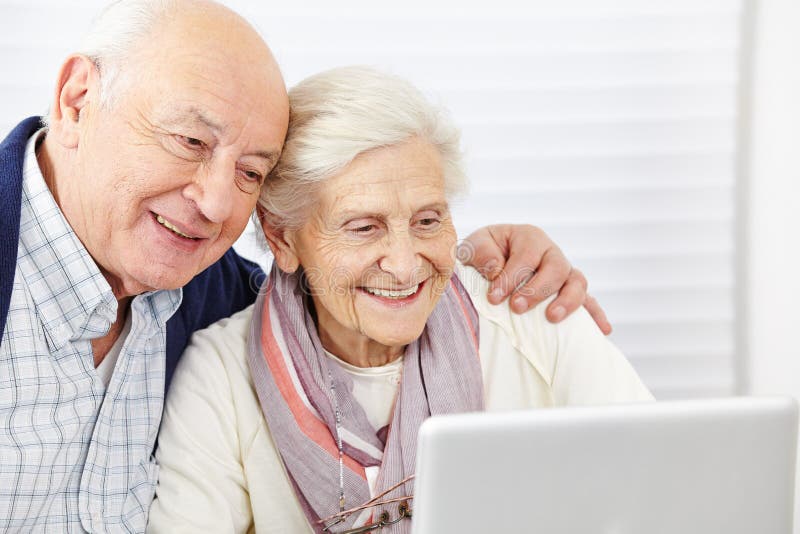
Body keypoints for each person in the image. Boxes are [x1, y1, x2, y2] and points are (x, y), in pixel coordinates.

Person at [0, 1, 608, 532]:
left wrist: (473, 256)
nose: (215, 203)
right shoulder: (211, 333)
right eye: (190, 141)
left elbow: (352, 280)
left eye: (251, 173)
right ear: (77, 100)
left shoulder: (207, 286)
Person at [147, 66, 653, 534]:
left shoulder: (531, 314)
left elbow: (664, 490)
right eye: (364, 228)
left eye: (428, 221)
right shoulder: (221, 376)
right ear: (282, 239)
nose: (407, 266)